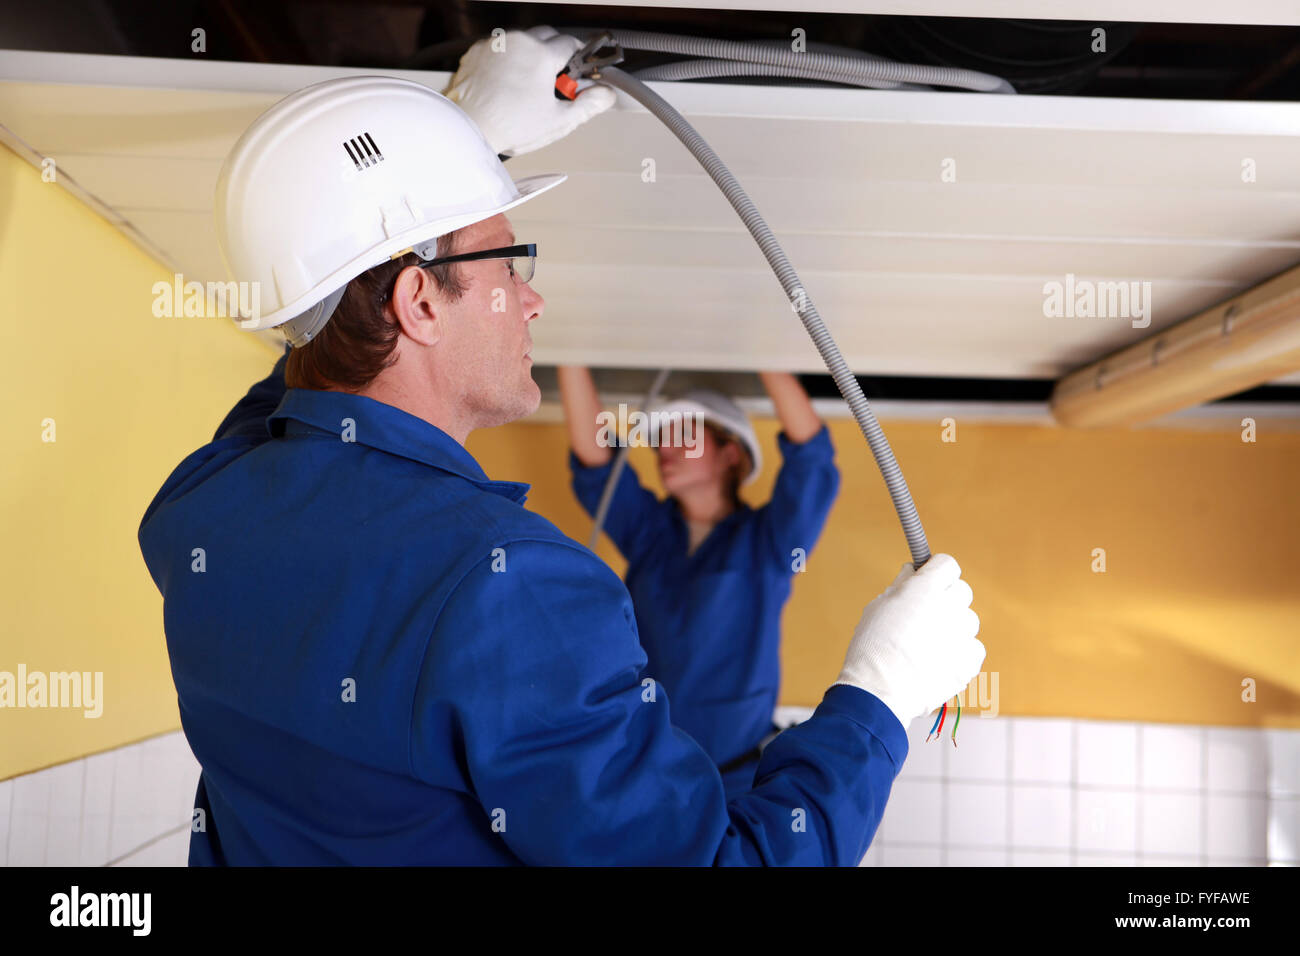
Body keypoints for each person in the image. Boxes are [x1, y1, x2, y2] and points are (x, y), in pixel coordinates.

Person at [137, 30, 985, 865]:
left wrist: (461, 148)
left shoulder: (201, 507)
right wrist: (879, 697)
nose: (532, 298)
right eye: (511, 264)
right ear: (419, 305)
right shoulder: (510, 590)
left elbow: (304, 379)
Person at [559, 368, 839, 796]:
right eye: (659, 440)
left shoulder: (767, 544)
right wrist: (568, 356)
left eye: (684, 435)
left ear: (731, 454)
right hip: (638, 772)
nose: (663, 450)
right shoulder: (650, 535)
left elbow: (812, 458)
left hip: (734, 784)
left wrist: (769, 356)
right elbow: (597, 467)